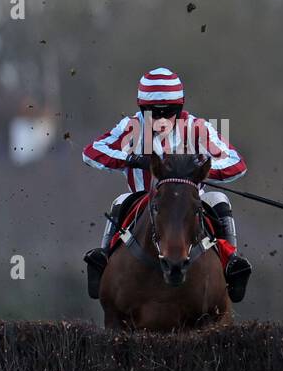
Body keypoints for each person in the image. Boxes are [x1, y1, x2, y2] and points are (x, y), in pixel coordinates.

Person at [81, 68, 251, 301]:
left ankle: (232, 263)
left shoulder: (198, 128)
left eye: (168, 111)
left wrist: (202, 169)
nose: (161, 119)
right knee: (121, 200)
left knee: (219, 200)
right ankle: (104, 259)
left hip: (191, 201)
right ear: (142, 109)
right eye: (153, 112)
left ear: (179, 108)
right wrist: (130, 159)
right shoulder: (131, 127)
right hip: (145, 198)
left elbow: (236, 163)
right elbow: (91, 151)